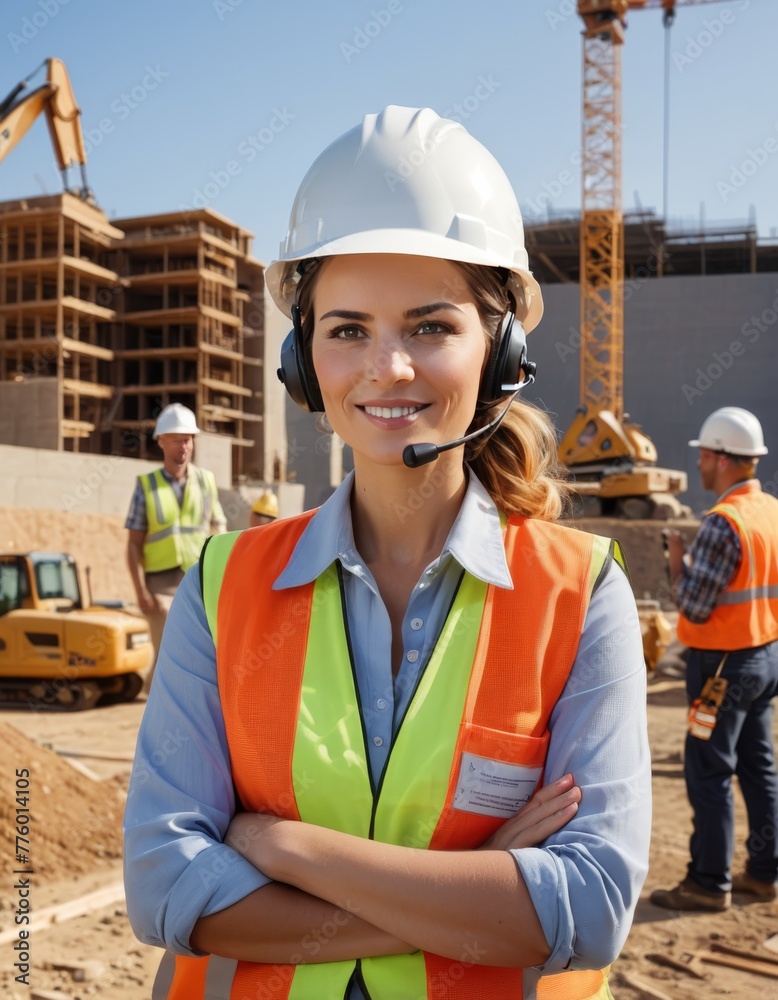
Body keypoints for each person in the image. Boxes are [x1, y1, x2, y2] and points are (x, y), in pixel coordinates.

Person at [124, 106, 651, 999]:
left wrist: (283, 847)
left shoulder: (582, 592)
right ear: (302, 360)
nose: (388, 367)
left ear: (501, 352)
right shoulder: (221, 587)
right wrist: (477, 889)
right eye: (347, 329)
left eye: (432, 326)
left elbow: (590, 907)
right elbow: (165, 888)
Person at [651, 407, 778, 912]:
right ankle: (766, 873)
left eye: (704, 455)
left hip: (721, 668)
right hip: (764, 657)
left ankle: (708, 881)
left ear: (723, 459)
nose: (699, 464)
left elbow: (694, 607)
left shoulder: (724, 525)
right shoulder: (769, 509)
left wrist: (676, 560)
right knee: (758, 767)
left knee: (708, 773)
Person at [125, 402, 226, 689]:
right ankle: (156, 700)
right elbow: (133, 544)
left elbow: (219, 530)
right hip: (159, 582)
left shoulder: (206, 482)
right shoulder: (147, 485)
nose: (184, 447)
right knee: (168, 643)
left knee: (201, 648)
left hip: (197, 577)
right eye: (176, 441)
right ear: (161, 442)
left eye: (188, 440)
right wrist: (140, 591)